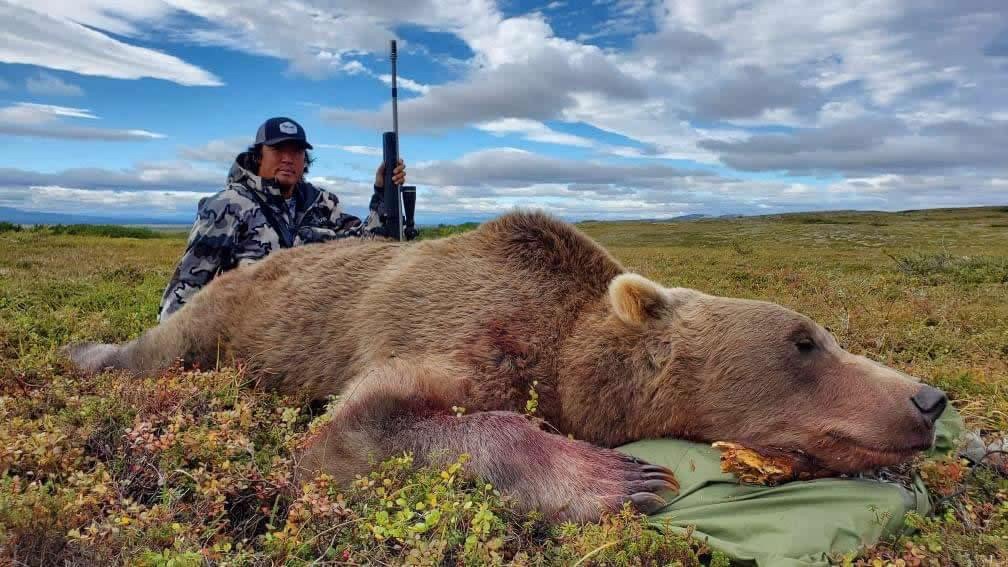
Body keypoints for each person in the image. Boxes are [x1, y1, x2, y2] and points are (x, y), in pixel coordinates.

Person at [158, 116, 405, 322]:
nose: (288, 158)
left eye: (296, 151)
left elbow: (366, 244)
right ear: (258, 156)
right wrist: (168, 351)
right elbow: (189, 282)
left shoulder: (323, 203)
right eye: (277, 150)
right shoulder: (227, 205)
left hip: (314, 326)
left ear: (305, 160)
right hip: (245, 331)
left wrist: (382, 194)